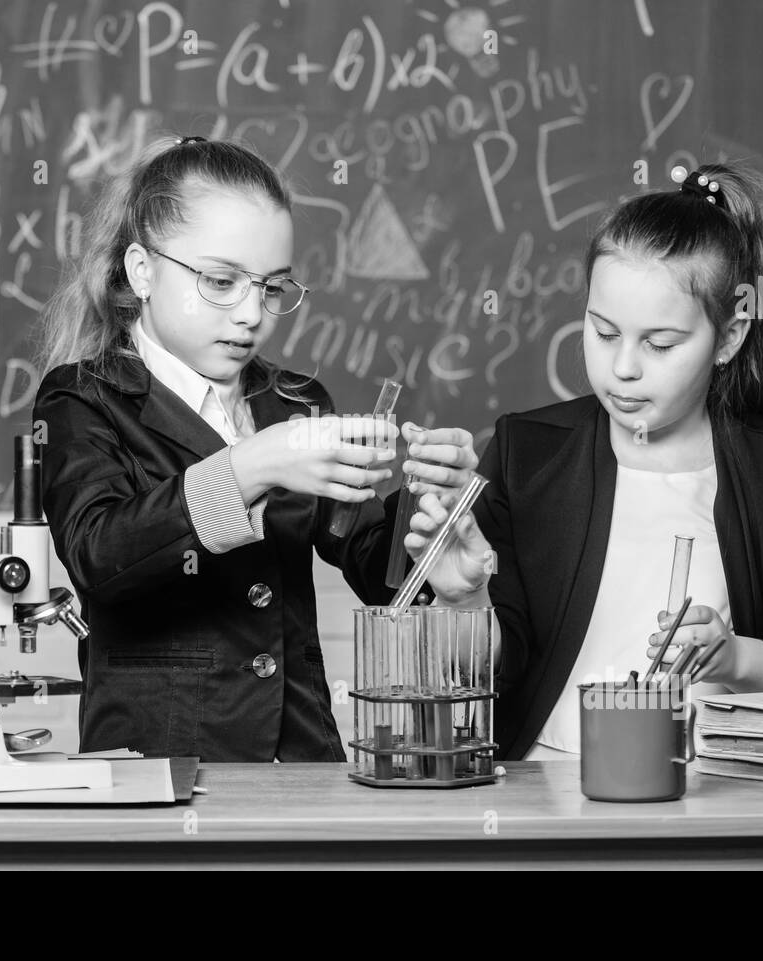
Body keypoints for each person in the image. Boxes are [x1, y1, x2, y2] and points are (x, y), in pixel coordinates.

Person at [32, 136, 478, 762]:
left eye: (273, 288)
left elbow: (377, 571)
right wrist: (254, 464)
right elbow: (101, 560)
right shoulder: (82, 401)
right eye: (220, 281)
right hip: (156, 772)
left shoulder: (294, 402)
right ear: (142, 269)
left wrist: (426, 518)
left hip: (299, 762)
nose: (252, 314)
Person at [407, 163, 763, 761]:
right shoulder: (528, 451)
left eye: (660, 344)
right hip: (545, 786)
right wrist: (465, 604)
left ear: (729, 338)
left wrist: (734, 656)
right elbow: (498, 665)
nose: (623, 368)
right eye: (602, 331)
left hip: (714, 792)